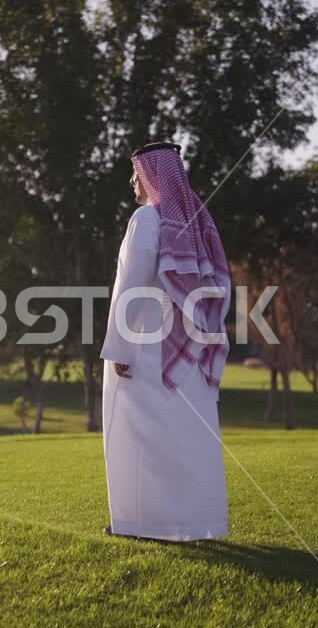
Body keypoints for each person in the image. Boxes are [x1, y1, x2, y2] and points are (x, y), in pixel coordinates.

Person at [99, 141, 232, 541]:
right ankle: (193, 524)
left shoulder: (146, 218)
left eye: (136, 173)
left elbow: (131, 285)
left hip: (146, 348)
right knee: (187, 439)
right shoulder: (198, 220)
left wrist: (119, 347)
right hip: (189, 349)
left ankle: (142, 524)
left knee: (140, 436)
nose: (132, 182)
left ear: (150, 176)